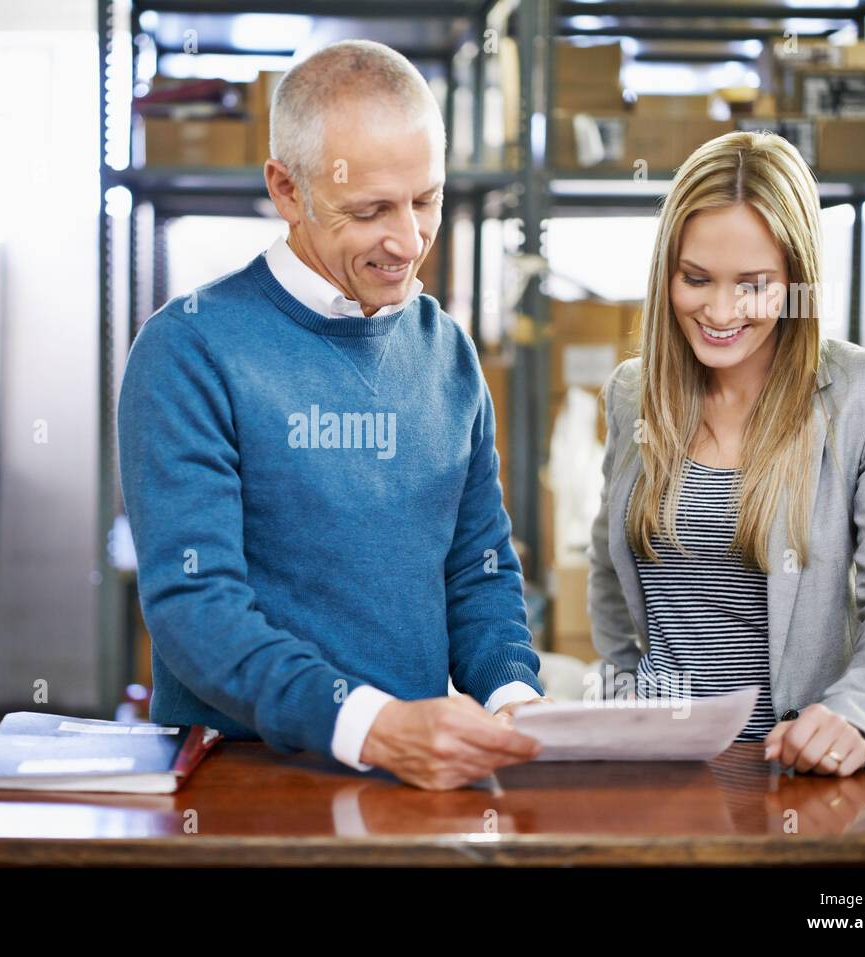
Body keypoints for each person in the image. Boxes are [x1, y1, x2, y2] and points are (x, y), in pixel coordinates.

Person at [118, 40, 549, 791]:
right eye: (371, 209)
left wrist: (514, 699)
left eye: (425, 200)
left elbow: (477, 572)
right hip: (243, 788)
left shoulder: (444, 350)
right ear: (288, 190)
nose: (409, 242)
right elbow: (198, 611)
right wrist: (372, 726)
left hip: (413, 785)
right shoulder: (190, 348)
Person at [588, 129, 865, 777]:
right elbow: (608, 573)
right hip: (662, 773)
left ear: (796, 279)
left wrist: (859, 714)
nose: (720, 310)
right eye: (696, 278)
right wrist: (621, 699)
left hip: (801, 776)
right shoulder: (632, 394)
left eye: (753, 284)